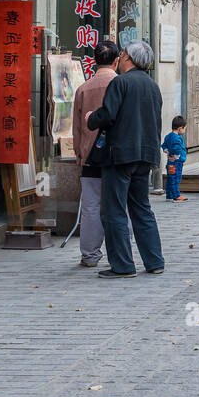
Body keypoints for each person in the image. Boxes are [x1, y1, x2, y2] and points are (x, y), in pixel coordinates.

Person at [85, 40, 165, 278]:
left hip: (120, 156)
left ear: (129, 58)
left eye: (123, 54)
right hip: (145, 155)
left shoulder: (120, 83)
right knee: (142, 208)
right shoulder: (152, 86)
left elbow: (108, 114)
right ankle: (154, 261)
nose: (120, 58)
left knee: (114, 210)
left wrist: (91, 117)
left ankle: (122, 265)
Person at [72, 40, 120, 268]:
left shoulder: (83, 88)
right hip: (118, 156)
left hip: (90, 156)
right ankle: (121, 251)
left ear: (93, 61)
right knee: (120, 204)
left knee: (90, 207)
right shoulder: (122, 84)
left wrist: (79, 155)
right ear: (117, 61)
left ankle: (90, 255)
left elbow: (77, 128)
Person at [161, 115, 188, 202]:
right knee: (176, 178)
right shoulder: (177, 138)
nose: (184, 131)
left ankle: (169, 196)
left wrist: (167, 151)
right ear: (180, 128)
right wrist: (176, 156)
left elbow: (164, 145)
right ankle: (176, 196)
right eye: (184, 129)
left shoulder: (168, 136)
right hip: (177, 162)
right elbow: (176, 149)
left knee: (170, 178)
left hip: (170, 163)